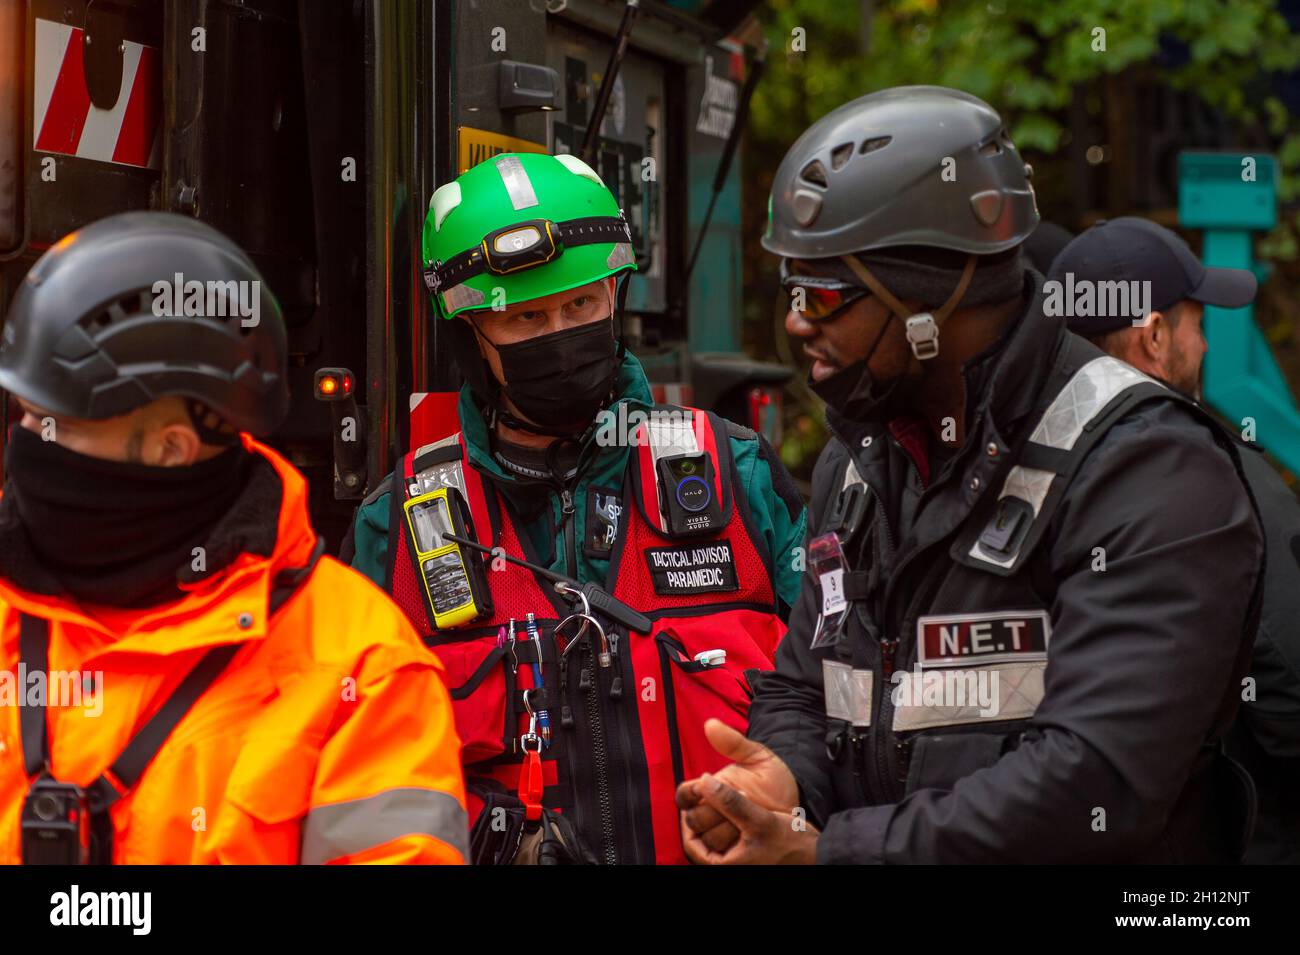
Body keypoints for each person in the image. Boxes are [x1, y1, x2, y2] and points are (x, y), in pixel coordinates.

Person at [676, 86, 1263, 864]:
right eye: (792, 288)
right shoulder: (857, 460)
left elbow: (1096, 782)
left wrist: (830, 853)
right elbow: (805, 684)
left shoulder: (1149, 468)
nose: (795, 320)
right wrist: (786, 779)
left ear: (932, 302)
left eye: (823, 291)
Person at [342, 152, 806, 864]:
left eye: (580, 305)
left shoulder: (735, 469)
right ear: (470, 332)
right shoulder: (397, 523)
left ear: (615, 296)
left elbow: (844, 690)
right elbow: (355, 777)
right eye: (526, 317)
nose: (559, 332)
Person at [0, 212, 467, 865]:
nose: (24, 440)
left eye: (53, 422)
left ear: (170, 448)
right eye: (21, 413)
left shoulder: (363, 670)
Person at [1050, 216, 1299, 864]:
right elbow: (1290, 672)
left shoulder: (1003, 470)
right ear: (1154, 337)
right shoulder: (1217, 474)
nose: (1207, 346)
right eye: (1196, 323)